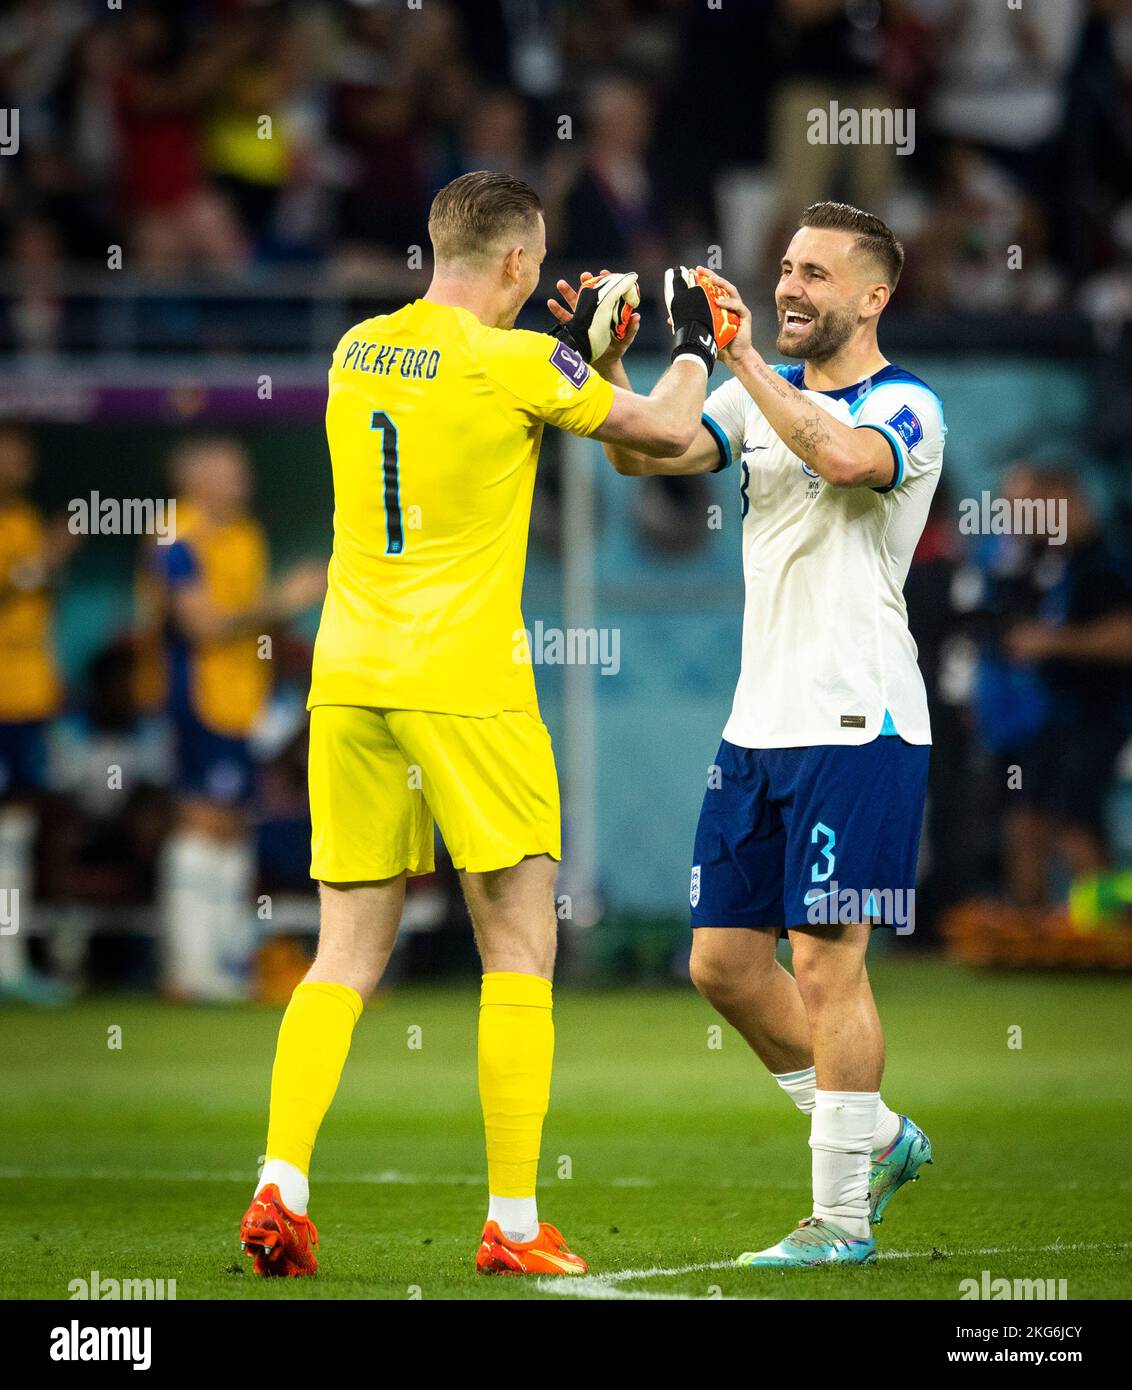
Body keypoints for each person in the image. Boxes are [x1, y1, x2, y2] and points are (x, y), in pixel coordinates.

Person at [239, 169, 725, 1279]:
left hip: (349, 677)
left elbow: (524, 389)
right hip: (467, 681)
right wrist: (688, 343)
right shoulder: (515, 361)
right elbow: (658, 432)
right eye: (536, 264)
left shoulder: (357, 348)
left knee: (342, 957)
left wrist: (586, 352)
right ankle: (511, 1221)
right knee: (517, 946)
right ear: (516, 262)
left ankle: (282, 1186)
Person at [591, 202, 945, 1268]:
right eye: (784, 268)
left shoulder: (910, 407)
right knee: (722, 965)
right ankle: (876, 1132)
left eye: (816, 275)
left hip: (860, 720)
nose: (789, 287)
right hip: (759, 724)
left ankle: (840, 1220)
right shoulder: (758, 401)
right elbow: (642, 457)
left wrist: (735, 350)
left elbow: (841, 459)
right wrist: (602, 365)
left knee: (827, 964)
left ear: (873, 296)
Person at [145, 435, 325, 1001]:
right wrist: (284, 600)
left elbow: (255, 628)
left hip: (244, 701)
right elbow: (200, 626)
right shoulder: (175, 532)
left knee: (232, 829)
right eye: (229, 469)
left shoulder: (245, 534)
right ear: (192, 476)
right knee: (200, 823)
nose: (242, 480)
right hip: (197, 696)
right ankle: (186, 969)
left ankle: (221, 964)